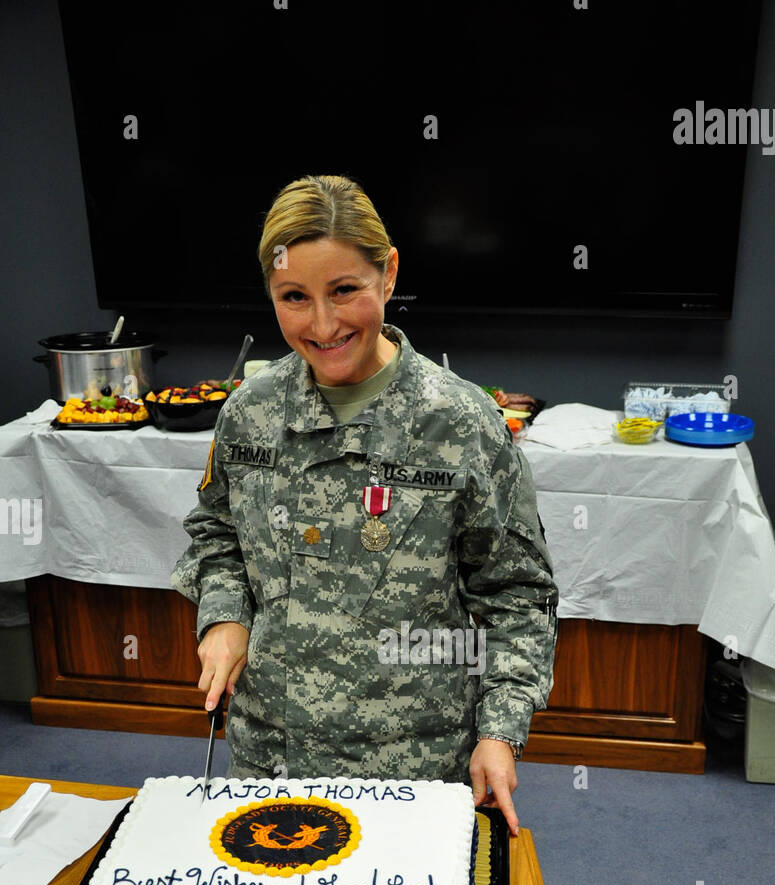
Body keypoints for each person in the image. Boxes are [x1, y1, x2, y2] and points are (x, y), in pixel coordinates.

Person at [171, 174, 557, 836]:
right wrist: (225, 617)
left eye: (345, 290)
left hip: (417, 766)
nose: (322, 325)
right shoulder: (250, 413)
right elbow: (217, 536)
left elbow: (515, 595)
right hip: (273, 756)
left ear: (388, 273)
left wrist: (498, 731)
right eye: (294, 297)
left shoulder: (460, 421)